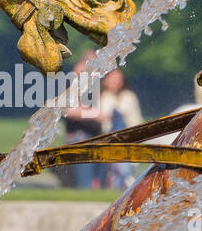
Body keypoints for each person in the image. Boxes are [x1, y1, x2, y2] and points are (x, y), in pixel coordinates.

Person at [61, 50, 105, 189]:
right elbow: (67, 110)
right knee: (85, 184)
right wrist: (95, 114)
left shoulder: (88, 83)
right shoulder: (70, 81)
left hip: (93, 137)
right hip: (78, 137)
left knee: (95, 182)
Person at [97, 68, 143, 189]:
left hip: (128, 138)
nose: (116, 83)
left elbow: (135, 120)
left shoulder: (129, 97)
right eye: (112, 80)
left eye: (118, 80)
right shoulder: (102, 97)